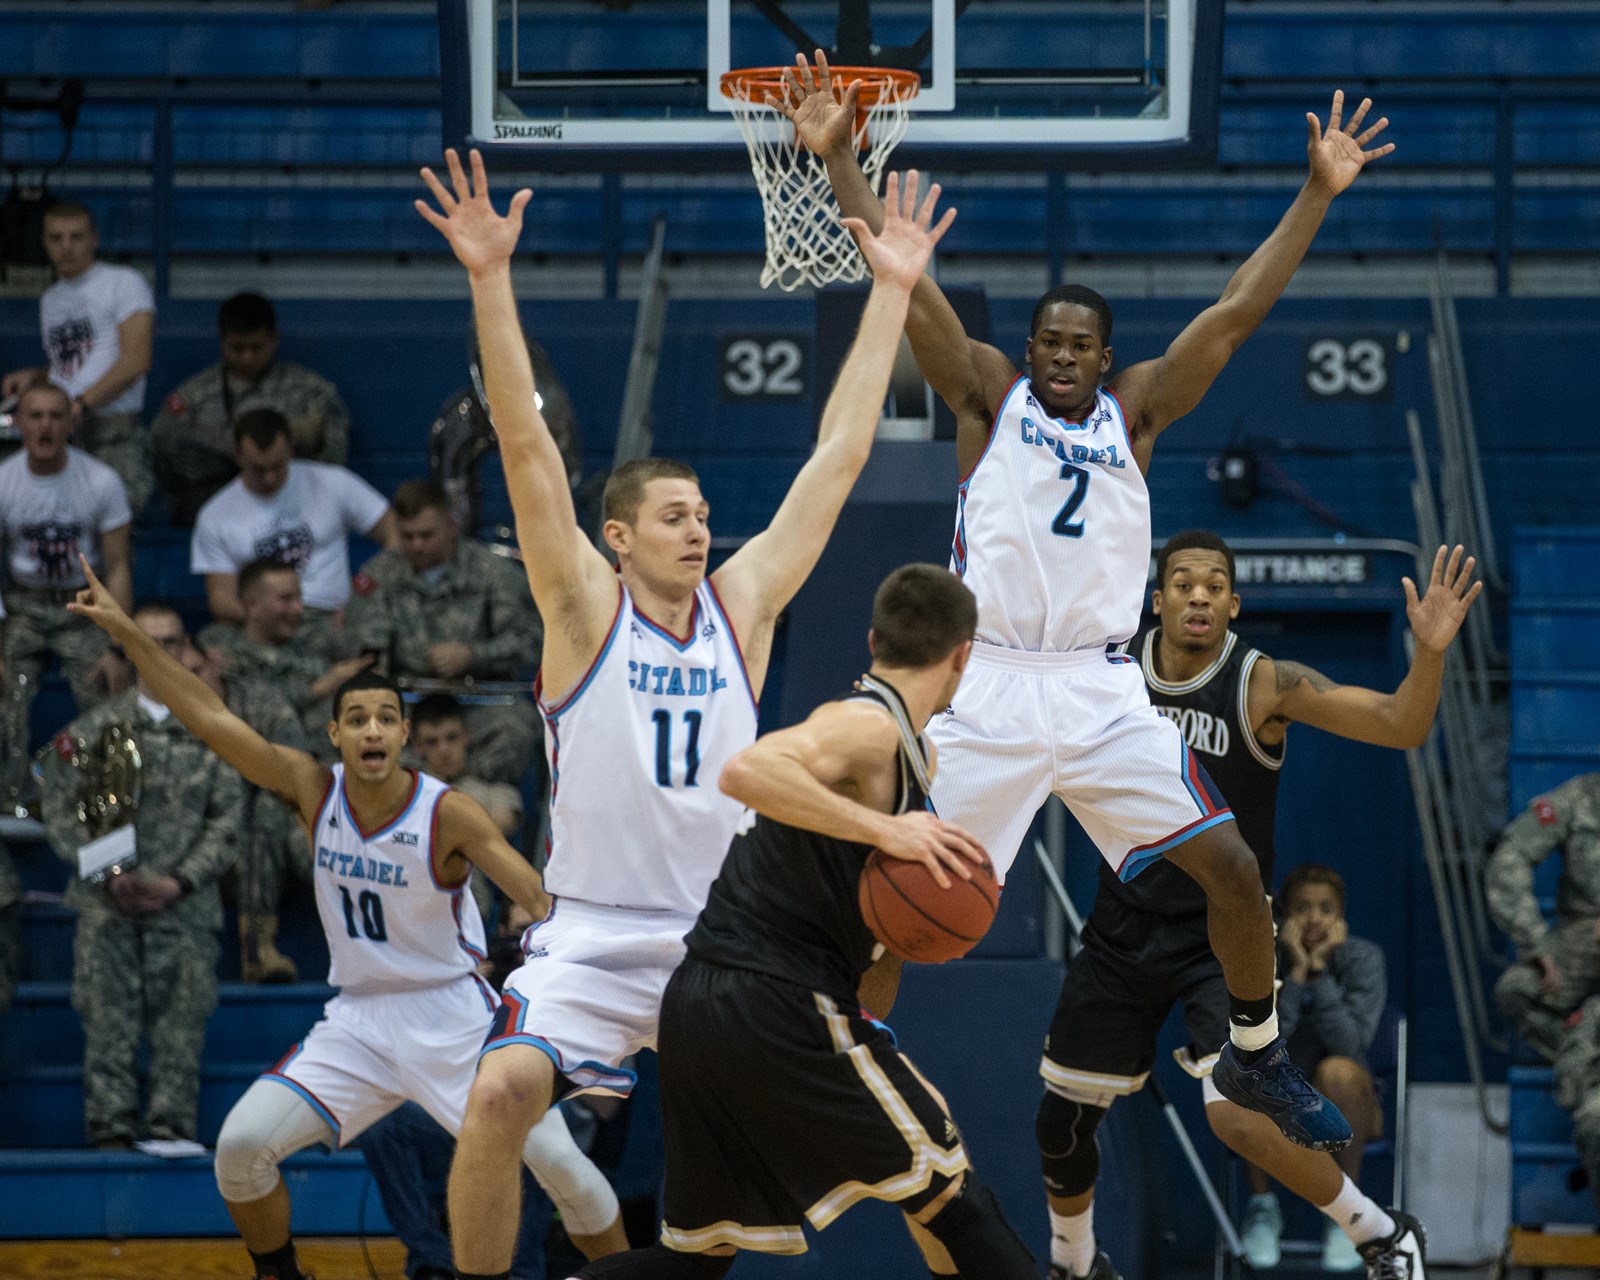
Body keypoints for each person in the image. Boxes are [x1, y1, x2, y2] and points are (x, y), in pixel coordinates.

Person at [791, 53, 1395, 1155]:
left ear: (1104, 357)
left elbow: (1236, 312)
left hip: (1102, 685)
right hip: (992, 682)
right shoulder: (986, 393)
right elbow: (909, 285)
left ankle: (1257, 1054)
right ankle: (842, 1055)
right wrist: (841, 161)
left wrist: (1314, 191)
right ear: (1029, 349)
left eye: (1080, 345)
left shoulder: (1140, 410)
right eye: (1048, 342)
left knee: (1234, 870)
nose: (1062, 356)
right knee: (906, 891)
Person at [414, 148, 955, 1277]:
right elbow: (524, 442)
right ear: (619, 535)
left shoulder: (739, 607)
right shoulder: (577, 604)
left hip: (729, 936)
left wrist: (894, 291)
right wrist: (488, 279)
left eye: (703, 511)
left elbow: (838, 456)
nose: (698, 527)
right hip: (598, 932)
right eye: (673, 514)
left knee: (895, 1135)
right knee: (501, 1089)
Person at [65, 559, 625, 1280]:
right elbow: (207, 714)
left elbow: (542, 902)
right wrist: (128, 635)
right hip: (358, 1022)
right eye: (357, 718)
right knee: (240, 1151)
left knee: (566, 1174)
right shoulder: (310, 788)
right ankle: (280, 1273)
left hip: (453, 1018)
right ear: (335, 733)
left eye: (386, 719)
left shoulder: (446, 812)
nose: (371, 730)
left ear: (404, 736)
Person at [568, 564, 1035, 1280]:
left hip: (704, 1004)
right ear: (963, 655)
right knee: (953, 1195)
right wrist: (887, 833)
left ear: (874, 638)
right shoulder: (864, 725)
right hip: (773, 998)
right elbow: (746, 770)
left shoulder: (917, 752)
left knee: (692, 1262)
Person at [1038, 531, 1473, 1280]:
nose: (1199, 595)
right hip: (1123, 927)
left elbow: (1403, 723)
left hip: (1224, 931)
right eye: (1183, 583)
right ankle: (1074, 1264)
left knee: (1237, 1114)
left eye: (1214, 585)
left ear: (1233, 605)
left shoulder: (1264, 683)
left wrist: (1429, 651)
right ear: (1157, 601)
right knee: (1062, 1122)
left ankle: (1380, 1232)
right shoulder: (1110, 675)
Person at [39, 603, 243, 1149]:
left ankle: (169, 1132)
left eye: (171, 640)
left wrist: (181, 881)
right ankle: (109, 1134)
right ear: (125, 650)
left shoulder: (214, 729)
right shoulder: (91, 731)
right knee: (107, 1023)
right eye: (144, 640)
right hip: (107, 908)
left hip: (186, 906)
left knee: (182, 1028)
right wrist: (105, 874)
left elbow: (229, 820)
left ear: (188, 650)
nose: (158, 652)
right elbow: (56, 805)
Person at [1243, 864, 1392, 1270]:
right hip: (1280, 1102)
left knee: (1337, 1070)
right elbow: (1267, 1041)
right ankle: (1262, 1208)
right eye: (1303, 908)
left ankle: (1349, 1213)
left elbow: (1350, 1043)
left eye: (1326, 908)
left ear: (1341, 916)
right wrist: (1293, 973)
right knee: (1252, 1069)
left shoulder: (1364, 959)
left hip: (1348, 1102)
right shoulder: (1263, 957)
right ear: (1284, 914)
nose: (1314, 918)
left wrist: (1320, 973)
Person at [344, 480, 541, 784]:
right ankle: (420, 791)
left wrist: (474, 656)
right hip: (406, 701)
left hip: (474, 701)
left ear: (450, 526)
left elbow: (530, 642)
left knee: (519, 727)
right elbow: (358, 646)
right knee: (355, 728)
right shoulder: (381, 574)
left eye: (426, 535)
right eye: (407, 536)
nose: (417, 545)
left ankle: (458, 795)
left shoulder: (492, 572)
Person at [190, 408, 396, 654]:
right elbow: (221, 600)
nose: (269, 478)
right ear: (238, 456)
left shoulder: (333, 482)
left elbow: (395, 533)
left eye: (277, 466)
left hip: (328, 616)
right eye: (258, 469)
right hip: (262, 623)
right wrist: (270, 619)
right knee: (210, 644)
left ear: (290, 449)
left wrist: (362, 599)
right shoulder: (215, 514)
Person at [0, 382, 133, 747]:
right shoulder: (4, 481)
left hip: (82, 607)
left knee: (110, 696)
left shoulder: (102, 482)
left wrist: (118, 646)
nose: (46, 426)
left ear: (71, 423)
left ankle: (98, 798)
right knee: (5, 699)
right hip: (23, 606)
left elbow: (118, 568)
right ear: (18, 422)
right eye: (36, 416)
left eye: (56, 416)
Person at [1, 200, 155, 512]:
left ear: (95, 239)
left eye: (77, 237)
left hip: (112, 433)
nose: (66, 247)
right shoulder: (51, 299)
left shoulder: (123, 283)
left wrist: (81, 405)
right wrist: (37, 377)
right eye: (56, 238)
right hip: (61, 432)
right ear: (44, 242)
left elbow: (135, 360)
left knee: (117, 520)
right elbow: (71, 365)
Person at [150, 291, 352, 525]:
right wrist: (235, 446)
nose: (247, 358)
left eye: (257, 348)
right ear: (222, 341)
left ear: (274, 339)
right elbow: (163, 452)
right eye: (237, 348)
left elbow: (334, 459)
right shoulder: (193, 398)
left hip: (295, 505)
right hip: (219, 510)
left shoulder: (313, 393)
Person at [189, 634, 314, 984]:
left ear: (214, 663)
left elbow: (293, 776)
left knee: (273, 810)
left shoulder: (260, 702)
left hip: (272, 850)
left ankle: (367, 929)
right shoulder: (162, 718)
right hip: (204, 853)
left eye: (197, 670)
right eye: (180, 674)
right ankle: (257, 950)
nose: (192, 683)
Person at [209, 559, 374, 756]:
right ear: (252, 604)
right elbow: (251, 706)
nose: (298, 609)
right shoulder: (222, 655)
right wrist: (317, 690)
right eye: (286, 599)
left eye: (299, 598)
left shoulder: (313, 650)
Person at [1488, 772, 1600, 1062]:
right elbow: (1509, 857)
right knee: (1517, 990)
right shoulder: (1578, 799)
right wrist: (1535, 941)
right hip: (1583, 941)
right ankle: (1585, 1067)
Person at [411, 693, 524, 839]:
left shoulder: (496, 792)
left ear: (466, 736)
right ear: (417, 747)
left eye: (452, 737)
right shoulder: (405, 791)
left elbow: (500, 825)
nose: (444, 750)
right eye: (431, 742)